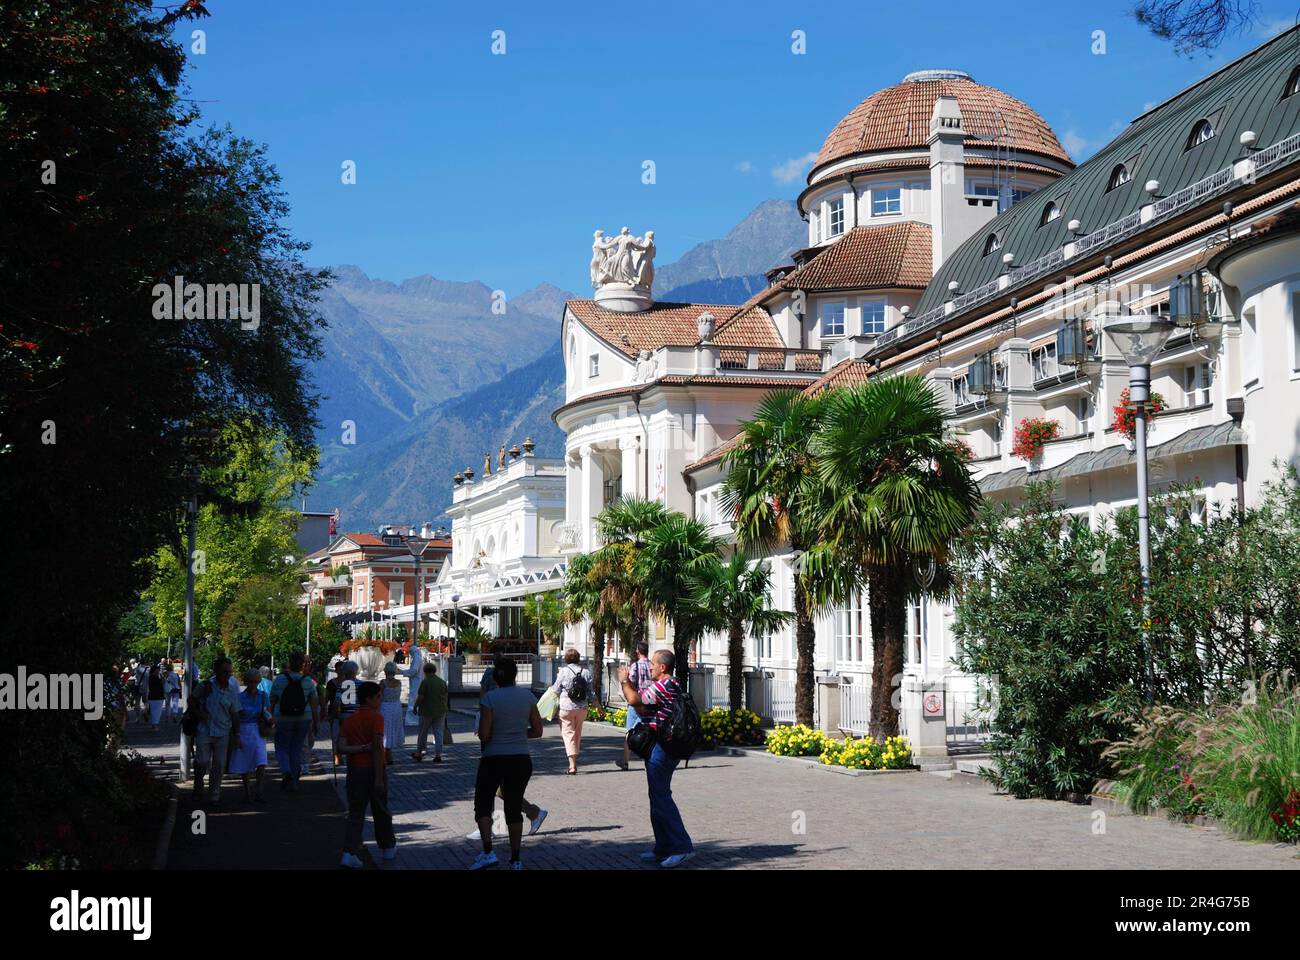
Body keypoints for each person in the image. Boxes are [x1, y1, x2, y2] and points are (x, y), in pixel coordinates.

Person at [619, 649, 694, 868]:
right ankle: (663, 847)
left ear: (663, 667)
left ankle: (681, 847)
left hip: (663, 747)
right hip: (665, 745)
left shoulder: (662, 685)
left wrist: (625, 681)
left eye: (653, 664)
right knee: (656, 796)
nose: (650, 667)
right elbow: (645, 708)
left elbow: (634, 700)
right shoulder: (674, 684)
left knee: (661, 797)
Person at [471, 658, 543, 870]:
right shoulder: (528, 696)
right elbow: (538, 731)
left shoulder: (490, 699)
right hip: (520, 757)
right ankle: (516, 858)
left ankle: (487, 851)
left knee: (483, 805)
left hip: (493, 757)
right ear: (516, 675)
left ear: (495, 678)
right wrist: (518, 734)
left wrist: (496, 735)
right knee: (513, 807)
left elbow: (484, 734)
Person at [338, 681, 396, 868]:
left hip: (355, 770)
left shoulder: (349, 720)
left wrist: (359, 748)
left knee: (356, 812)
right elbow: (378, 746)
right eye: (378, 696)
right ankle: (387, 847)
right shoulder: (376, 718)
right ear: (369, 698)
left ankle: (349, 852)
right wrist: (379, 777)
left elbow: (341, 747)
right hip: (373, 768)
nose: (380, 700)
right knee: (381, 810)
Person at [192, 657, 241, 807]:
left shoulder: (232, 691)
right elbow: (191, 701)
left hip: (223, 733)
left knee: (219, 765)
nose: (227, 675)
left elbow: (235, 714)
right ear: (216, 672)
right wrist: (199, 714)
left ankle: (214, 796)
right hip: (204, 731)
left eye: (229, 673)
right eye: (224, 672)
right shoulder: (205, 686)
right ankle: (198, 780)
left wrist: (237, 734)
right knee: (202, 761)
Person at [270, 652, 319, 791]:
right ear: (302, 664)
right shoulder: (308, 681)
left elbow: (272, 700)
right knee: (296, 749)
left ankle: (286, 771)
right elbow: (314, 703)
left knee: (281, 747)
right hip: (304, 718)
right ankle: (295, 782)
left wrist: (270, 717)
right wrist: (316, 721)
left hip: (283, 718)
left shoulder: (279, 680)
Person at [229, 667, 272, 802]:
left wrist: (270, 720)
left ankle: (259, 789)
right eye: (250, 681)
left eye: (255, 681)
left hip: (258, 730)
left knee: (261, 761)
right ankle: (247, 790)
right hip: (244, 730)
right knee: (245, 762)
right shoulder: (239, 697)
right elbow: (235, 716)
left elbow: (267, 711)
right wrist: (236, 734)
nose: (253, 684)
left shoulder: (263, 695)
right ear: (246, 682)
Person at [551, 648, 597, 774]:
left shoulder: (563, 672)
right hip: (582, 708)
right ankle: (574, 759)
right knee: (577, 734)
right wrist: (598, 707)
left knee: (568, 734)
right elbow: (591, 692)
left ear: (566, 659)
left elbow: (556, 690)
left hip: (566, 707)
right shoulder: (586, 672)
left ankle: (572, 766)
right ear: (578, 658)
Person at [617, 642, 653, 771]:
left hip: (636, 701)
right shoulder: (653, 665)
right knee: (649, 730)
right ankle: (649, 758)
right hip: (649, 700)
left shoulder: (635, 666)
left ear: (638, 651)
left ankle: (625, 761)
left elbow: (629, 681)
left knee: (630, 731)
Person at [411, 660, 448, 762]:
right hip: (440, 711)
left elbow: (421, 697)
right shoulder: (442, 682)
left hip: (426, 711)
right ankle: (438, 755)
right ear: (434, 671)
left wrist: (415, 707)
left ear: (425, 671)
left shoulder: (425, 682)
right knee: (438, 733)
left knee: (423, 732)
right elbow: (445, 696)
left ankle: (419, 752)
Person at [328, 660, 360, 766]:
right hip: (357, 716)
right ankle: (353, 757)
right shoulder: (361, 684)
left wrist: (332, 715)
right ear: (356, 671)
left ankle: (340, 756)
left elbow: (337, 702)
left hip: (344, 715)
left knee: (342, 737)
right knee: (355, 738)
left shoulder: (342, 685)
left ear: (345, 672)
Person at [379, 661, 404, 764]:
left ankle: (386, 755)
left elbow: (379, 696)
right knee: (392, 729)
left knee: (385, 730)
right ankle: (389, 754)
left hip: (385, 706)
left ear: (385, 671)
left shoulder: (383, 683)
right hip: (396, 707)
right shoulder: (399, 682)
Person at [146, 662, 165, 731]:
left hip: (154, 696)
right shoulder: (154, 677)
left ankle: (153, 724)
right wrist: (163, 679)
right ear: (155, 670)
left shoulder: (152, 677)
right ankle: (155, 725)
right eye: (158, 670)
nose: (158, 671)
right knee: (157, 712)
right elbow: (160, 684)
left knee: (154, 711)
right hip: (157, 696)